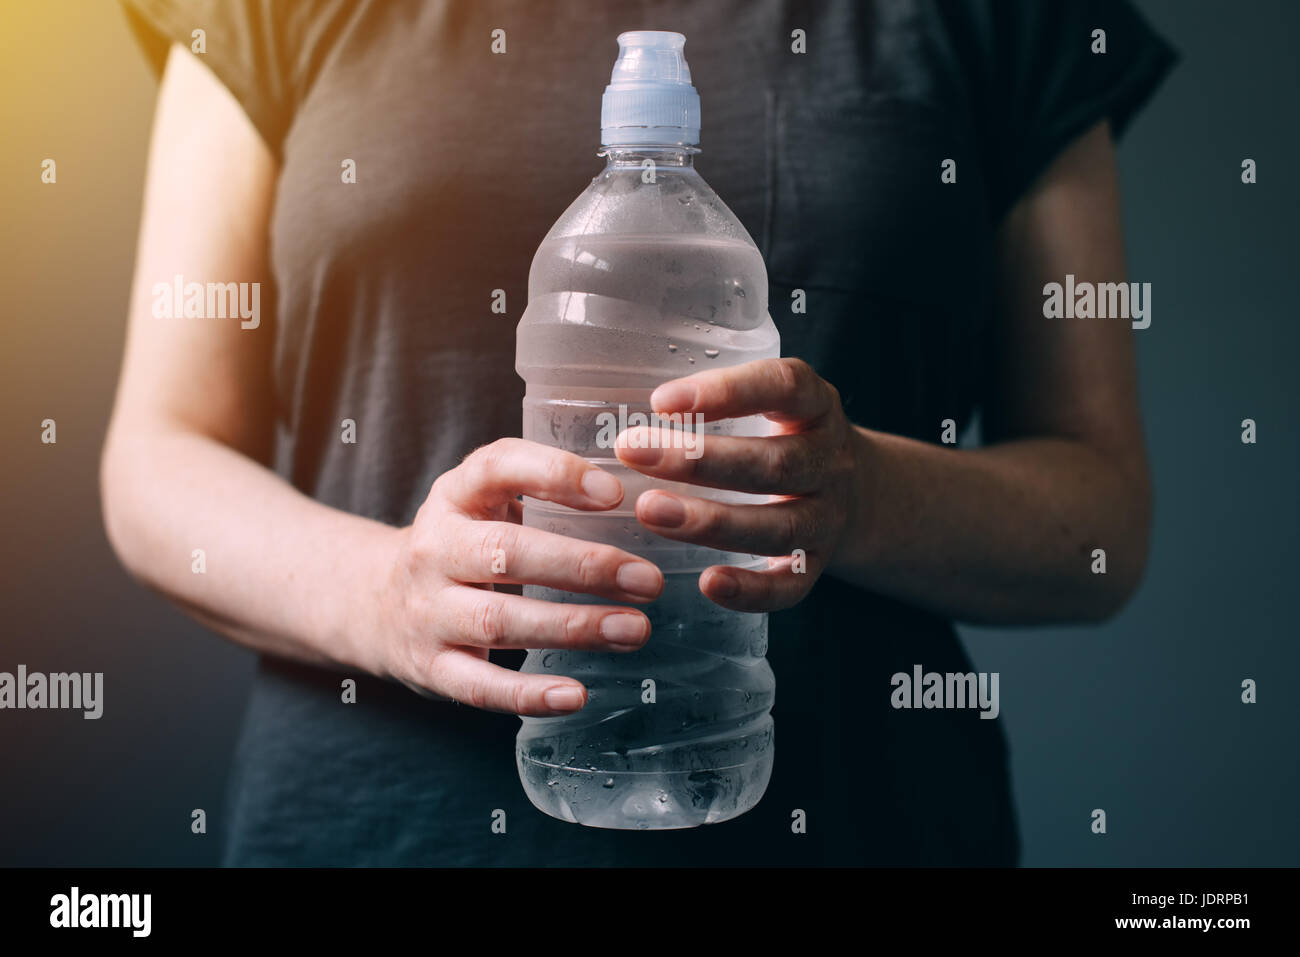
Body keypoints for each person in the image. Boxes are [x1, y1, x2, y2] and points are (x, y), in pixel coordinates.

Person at [103, 0, 1174, 865]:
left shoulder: (1005, 16)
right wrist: (383, 594)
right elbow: (157, 461)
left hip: (856, 822)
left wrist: (861, 496)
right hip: (374, 830)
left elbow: (1099, 522)